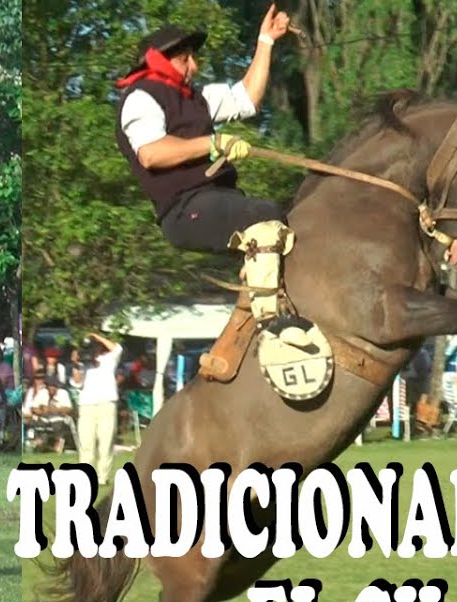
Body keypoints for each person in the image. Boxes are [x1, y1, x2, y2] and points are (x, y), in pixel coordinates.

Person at [115, 7, 299, 374]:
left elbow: (248, 98)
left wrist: (265, 41)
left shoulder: (196, 99)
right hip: (184, 210)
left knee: (292, 215)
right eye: (185, 59)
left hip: (220, 201)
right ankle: (273, 332)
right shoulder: (140, 98)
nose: (194, 67)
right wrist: (212, 143)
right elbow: (151, 153)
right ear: (159, 60)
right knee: (263, 217)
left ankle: (241, 336)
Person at [77, 332, 123, 482]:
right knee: (86, 443)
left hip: (106, 403)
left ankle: (102, 477)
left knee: (106, 442)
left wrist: (96, 337)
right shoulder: (83, 364)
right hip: (86, 405)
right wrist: (77, 365)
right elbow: (77, 383)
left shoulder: (108, 359)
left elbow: (117, 348)